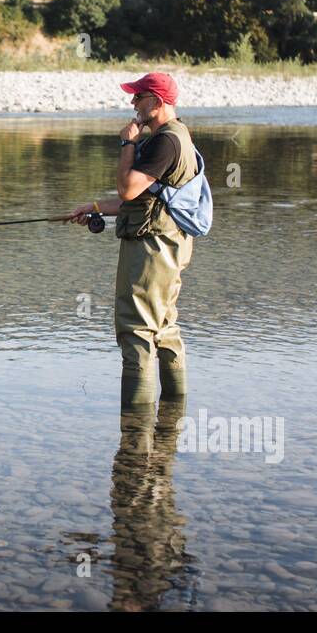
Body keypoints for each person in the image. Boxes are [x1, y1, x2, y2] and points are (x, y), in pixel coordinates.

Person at [66, 72, 198, 405]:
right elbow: (138, 199)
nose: (133, 103)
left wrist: (127, 143)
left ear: (157, 100)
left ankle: (135, 432)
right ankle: (172, 418)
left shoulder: (164, 141)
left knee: (136, 330)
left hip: (151, 249)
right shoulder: (177, 136)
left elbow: (127, 188)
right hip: (167, 243)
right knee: (164, 328)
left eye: (139, 97)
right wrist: (92, 207)